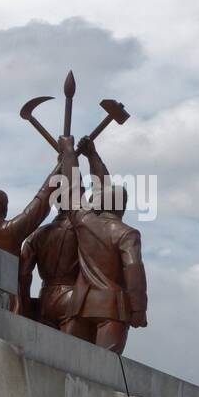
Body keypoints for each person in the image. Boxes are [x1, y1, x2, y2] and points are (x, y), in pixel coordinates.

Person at [59, 134, 147, 354]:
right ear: (123, 206)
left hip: (79, 305)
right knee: (105, 369)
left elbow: (72, 188)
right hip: (111, 309)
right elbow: (134, 271)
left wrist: (70, 152)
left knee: (69, 363)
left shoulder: (85, 222)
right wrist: (138, 310)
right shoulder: (128, 233)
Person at [0, 140, 71, 312]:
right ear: (3, 207)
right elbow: (40, 203)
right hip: (5, 301)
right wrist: (61, 166)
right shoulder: (10, 231)